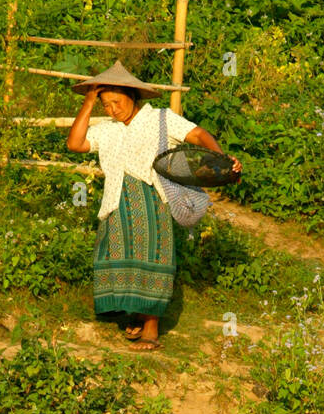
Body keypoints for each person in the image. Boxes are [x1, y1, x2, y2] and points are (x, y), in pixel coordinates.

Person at [67, 61, 241, 351]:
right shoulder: (106, 130)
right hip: (115, 200)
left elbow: (197, 135)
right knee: (117, 254)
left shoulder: (160, 119)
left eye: (116, 101)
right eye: (105, 105)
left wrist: (220, 159)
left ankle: (151, 329)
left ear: (131, 95)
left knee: (152, 257)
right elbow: (75, 144)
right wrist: (88, 101)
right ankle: (133, 312)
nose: (112, 109)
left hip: (151, 197)